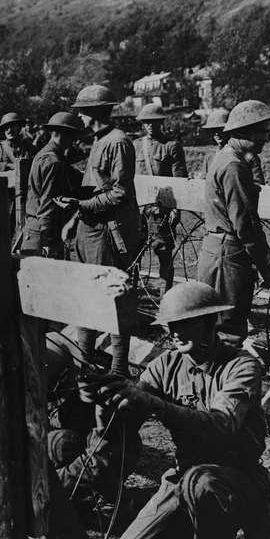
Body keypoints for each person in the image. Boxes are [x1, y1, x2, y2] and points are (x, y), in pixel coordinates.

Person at [100, 281, 270, 539]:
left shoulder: (241, 365)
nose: (175, 333)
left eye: (185, 324)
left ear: (211, 323)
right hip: (185, 477)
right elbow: (126, 424)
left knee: (202, 482)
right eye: (171, 326)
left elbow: (222, 426)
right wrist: (106, 404)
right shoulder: (165, 365)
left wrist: (155, 404)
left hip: (239, 479)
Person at [57, 85, 142, 377]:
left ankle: (119, 369)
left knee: (112, 297)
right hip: (88, 229)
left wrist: (82, 204)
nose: (78, 116)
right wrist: (74, 217)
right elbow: (95, 187)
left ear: (94, 112)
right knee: (86, 297)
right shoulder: (99, 140)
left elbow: (120, 193)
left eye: (81, 111)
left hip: (105, 234)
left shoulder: (118, 142)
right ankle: (85, 361)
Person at [196, 100, 270, 347]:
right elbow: (245, 223)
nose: (266, 137)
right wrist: (266, 264)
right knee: (229, 332)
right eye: (262, 132)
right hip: (228, 256)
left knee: (214, 328)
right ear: (245, 131)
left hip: (221, 251)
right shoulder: (234, 165)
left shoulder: (228, 157)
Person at [45, 331, 142, 529]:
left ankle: (121, 503)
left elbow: (97, 463)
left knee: (64, 445)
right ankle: (75, 495)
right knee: (57, 443)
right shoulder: (63, 392)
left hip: (115, 453)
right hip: (81, 448)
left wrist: (52, 486)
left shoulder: (101, 398)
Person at [133, 103, 188, 292]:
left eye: (154, 122)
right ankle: (131, 294)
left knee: (163, 252)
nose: (150, 125)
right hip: (139, 208)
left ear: (162, 122)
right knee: (133, 252)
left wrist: (176, 209)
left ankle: (168, 297)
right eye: (146, 122)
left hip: (160, 209)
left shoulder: (171, 146)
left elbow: (179, 181)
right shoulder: (136, 146)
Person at [20, 112, 84, 258]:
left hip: (35, 229)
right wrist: (48, 242)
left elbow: (74, 175)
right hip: (43, 235)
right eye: (72, 135)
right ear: (67, 134)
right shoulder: (54, 162)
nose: (73, 141)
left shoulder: (46, 154)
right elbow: (48, 204)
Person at [199, 108, 230, 176]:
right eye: (213, 130)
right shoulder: (210, 157)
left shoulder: (243, 155)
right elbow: (204, 180)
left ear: (229, 129)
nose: (216, 134)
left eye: (220, 129)